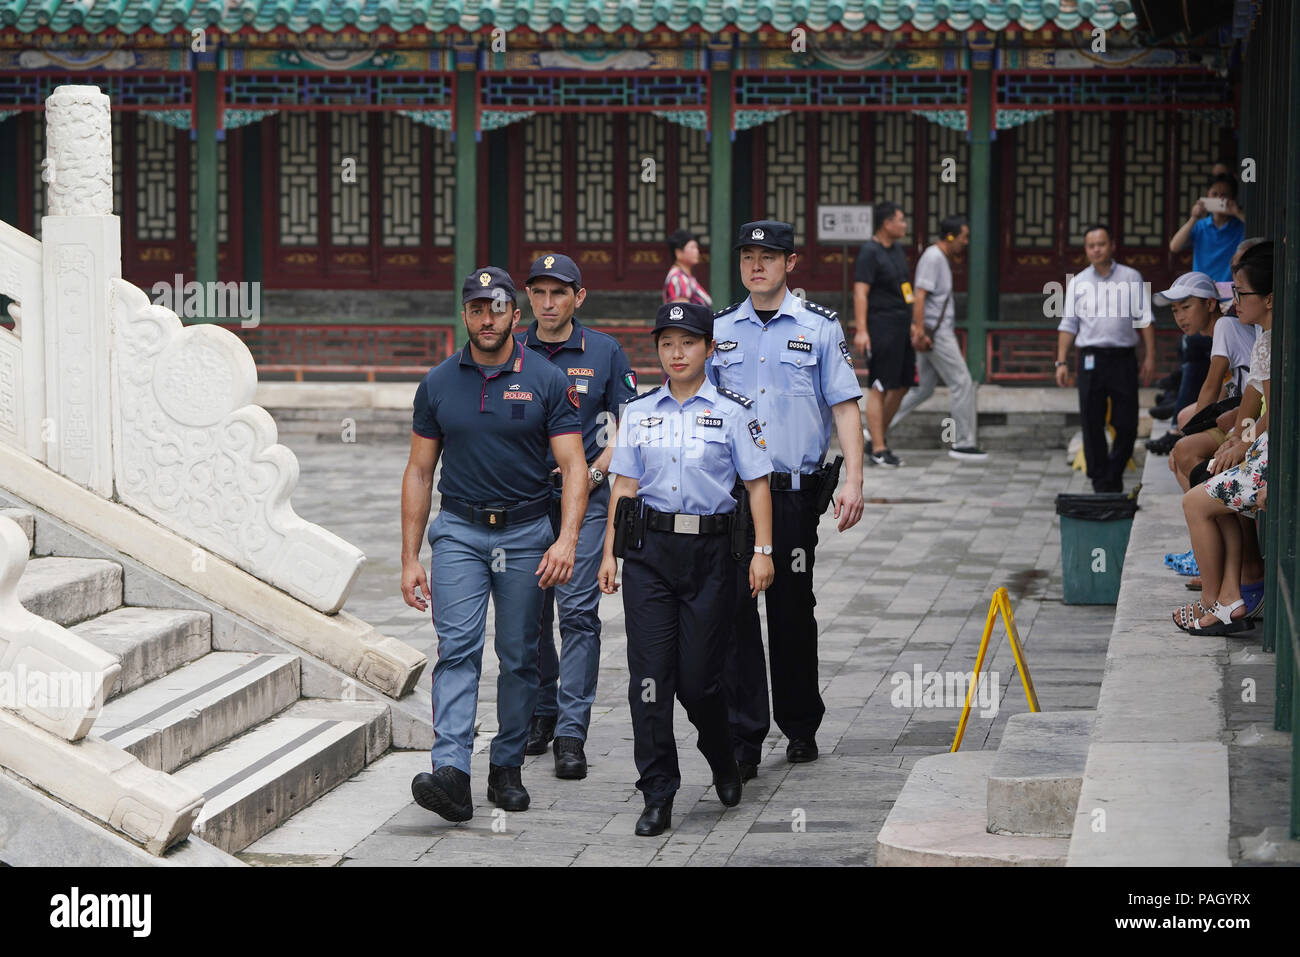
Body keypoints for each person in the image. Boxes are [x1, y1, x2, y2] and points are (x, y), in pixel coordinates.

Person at [402, 266, 589, 823]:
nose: (488, 319)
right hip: (458, 531)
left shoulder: (546, 380)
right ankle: (452, 771)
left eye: (499, 308)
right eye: (477, 308)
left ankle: (505, 766)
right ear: (465, 314)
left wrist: (568, 540)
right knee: (456, 651)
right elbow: (418, 471)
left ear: (516, 313)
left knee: (518, 657)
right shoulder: (437, 383)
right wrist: (411, 557)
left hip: (528, 532)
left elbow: (574, 465)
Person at [598, 301, 775, 836]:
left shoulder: (734, 410)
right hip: (649, 555)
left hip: (712, 557)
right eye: (667, 344)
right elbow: (624, 488)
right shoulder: (639, 412)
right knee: (649, 679)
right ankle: (658, 792)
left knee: (699, 682)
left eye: (688, 343)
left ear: (709, 348)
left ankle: (721, 755)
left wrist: (764, 551)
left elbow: (757, 485)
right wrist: (609, 553)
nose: (677, 353)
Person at [710, 220, 865, 779]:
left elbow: (845, 405)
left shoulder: (819, 328)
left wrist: (854, 479)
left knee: (793, 611)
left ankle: (799, 726)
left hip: (794, 496)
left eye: (769, 256)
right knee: (736, 615)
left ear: (790, 264)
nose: (757, 265)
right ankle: (744, 733)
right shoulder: (720, 329)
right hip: (733, 498)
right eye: (748, 255)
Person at [518, 253, 637, 778]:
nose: (548, 304)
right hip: (522, 502)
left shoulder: (604, 352)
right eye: (539, 293)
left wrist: (592, 474)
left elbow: (631, 422)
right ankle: (541, 712)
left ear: (578, 297)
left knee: (578, 612)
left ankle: (571, 729)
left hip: (584, 500)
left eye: (558, 293)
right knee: (529, 615)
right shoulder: (511, 349)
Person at [1171, 242, 1273, 635]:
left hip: (1271, 454)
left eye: (1241, 293)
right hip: (1258, 447)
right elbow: (1251, 407)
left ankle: (1212, 603)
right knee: (1210, 477)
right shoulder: (1264, 338)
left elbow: (1276, 412)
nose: (1234, 301)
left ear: (1268, 298)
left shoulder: (1281, 341)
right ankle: (1228, 596)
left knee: (1196, 503)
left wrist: (1245, 444)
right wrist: (1235, 439)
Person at [1054, 224, 1156, 493]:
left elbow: (1144, 319)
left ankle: (1112, 472)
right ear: (1086, 250)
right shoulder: (1078, 283)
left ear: (1112, 245)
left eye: (1101, 244)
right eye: (1091, 246)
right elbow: (1068, 325)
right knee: (1091, 421)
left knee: (1127, 422)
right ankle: (1102, 482)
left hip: (1123, 358)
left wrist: (1150, 357)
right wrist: (1061, 362)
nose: (1096, 249)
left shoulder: (1132, 277)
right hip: (1090, 359)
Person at [890, 215, 986, 460]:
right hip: (936, 334)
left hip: (932, 332)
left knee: (923, 388)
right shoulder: (934, 257)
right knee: (962, 382)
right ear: (951, 236)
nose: (966, 243)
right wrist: (919, 331)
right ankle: (963, 442)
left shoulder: (940, 258)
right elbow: (919, 295)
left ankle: (875, 431)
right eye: (964, 237)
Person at [852, 201, 913, 467]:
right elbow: (860, 292)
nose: (904, 224)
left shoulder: (898, 250)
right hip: (881, 326)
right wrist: (862, 330)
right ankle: (878, 448)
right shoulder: (869, 252)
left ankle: (876, 436)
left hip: (902, 325)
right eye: (900, 220)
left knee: (902, 385)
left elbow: (905, 287)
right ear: (886, 223)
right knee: (879, 385)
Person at [1169, 174, 1246, 282]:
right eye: (1214, 194)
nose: (1219, 198)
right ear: (1207, 195)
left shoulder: (1241, 225)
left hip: (1230, 290)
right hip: (1202, 290)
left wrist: (1237, 212)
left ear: (1233, 198)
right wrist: (1194, 218)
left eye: (1224, 195)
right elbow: (1174, 247)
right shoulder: (1199, 225)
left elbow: (1260, 235)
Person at [663, 229, 712, 307]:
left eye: (696, 247)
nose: (697, 251)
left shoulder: (685, 277)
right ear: (678, 253)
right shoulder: (678, 278)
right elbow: (683, 315)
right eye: (692, 247)